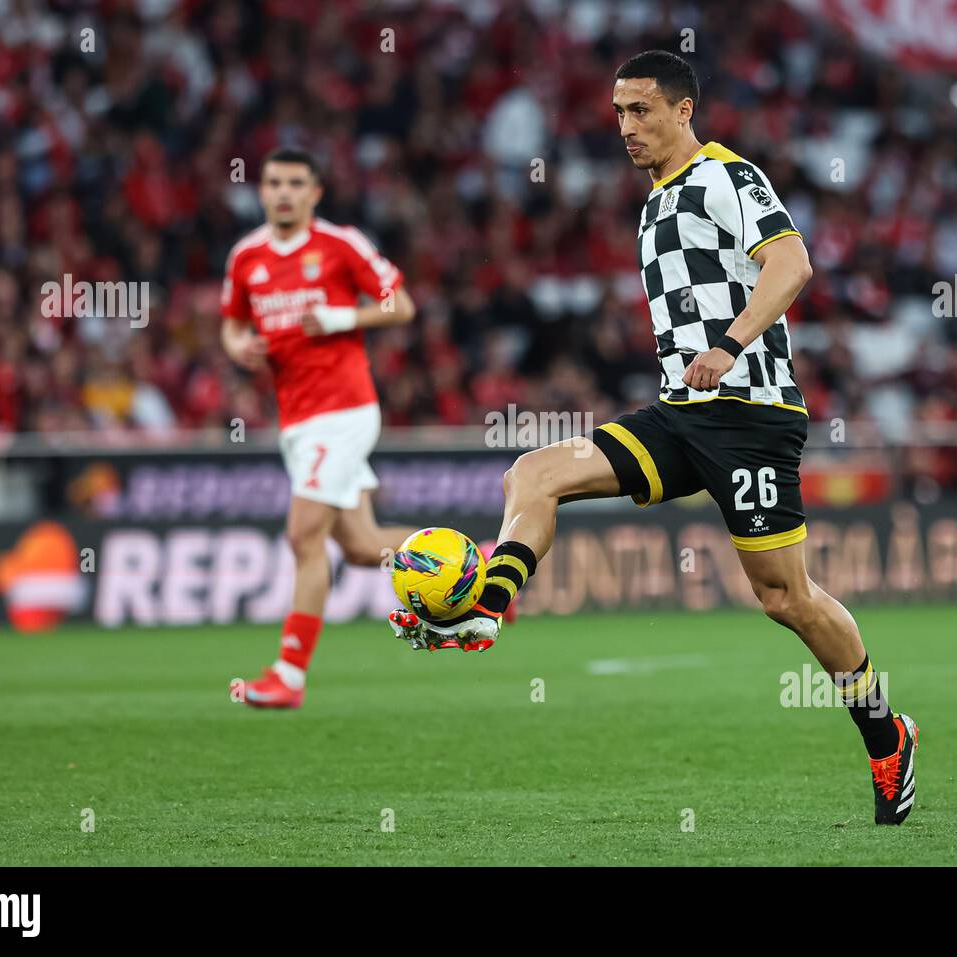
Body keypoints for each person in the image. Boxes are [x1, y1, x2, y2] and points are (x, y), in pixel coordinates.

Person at [390, 53, 919, 824]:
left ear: (682, 110)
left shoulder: (725, 177)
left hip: (751, 414)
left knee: (785, 598)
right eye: (617, 113)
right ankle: (487, 608)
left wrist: (731, 345)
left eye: (640, 111)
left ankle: (887, 735)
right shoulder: (654, 204)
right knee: (534, 474)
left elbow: (792, 262)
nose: (626, 127)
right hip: (679, 413)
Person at [223, 148, 417, 709]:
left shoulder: (340, 244)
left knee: (303, 535)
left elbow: (400, 304)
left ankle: (289, 673)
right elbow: (230, 328)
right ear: (261, 190)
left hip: (346, 408)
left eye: (296, 183)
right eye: (274, 182)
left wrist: (342, 317)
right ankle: (479, 570)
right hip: (298, 420)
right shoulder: (247, 257)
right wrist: (241, 349)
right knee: (360, 547)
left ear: (315, 193)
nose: (284, 192)